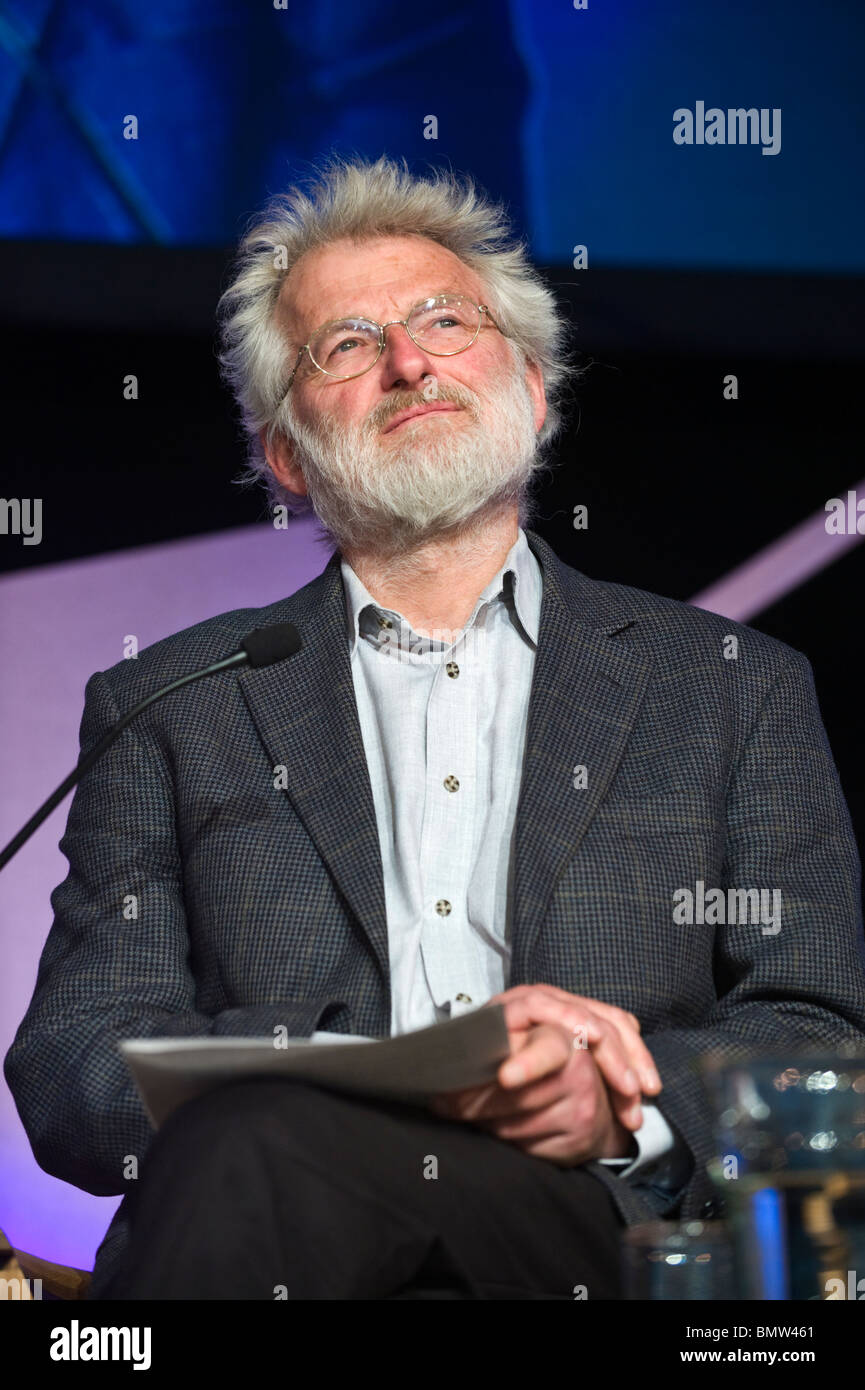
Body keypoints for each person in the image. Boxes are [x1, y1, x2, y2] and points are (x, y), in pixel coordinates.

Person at [6, 156, 865, 1301]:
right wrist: (345, 1079)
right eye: (348, 344)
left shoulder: (728, 687)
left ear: (533, 381)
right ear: (287, 453)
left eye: (443, 320)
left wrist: (622, 1097)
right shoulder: (174, 703)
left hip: (587, 1231)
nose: (408, 361)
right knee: (252, 1138)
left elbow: (822, 1039)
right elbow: (72, 1070)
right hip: (256, 1225)